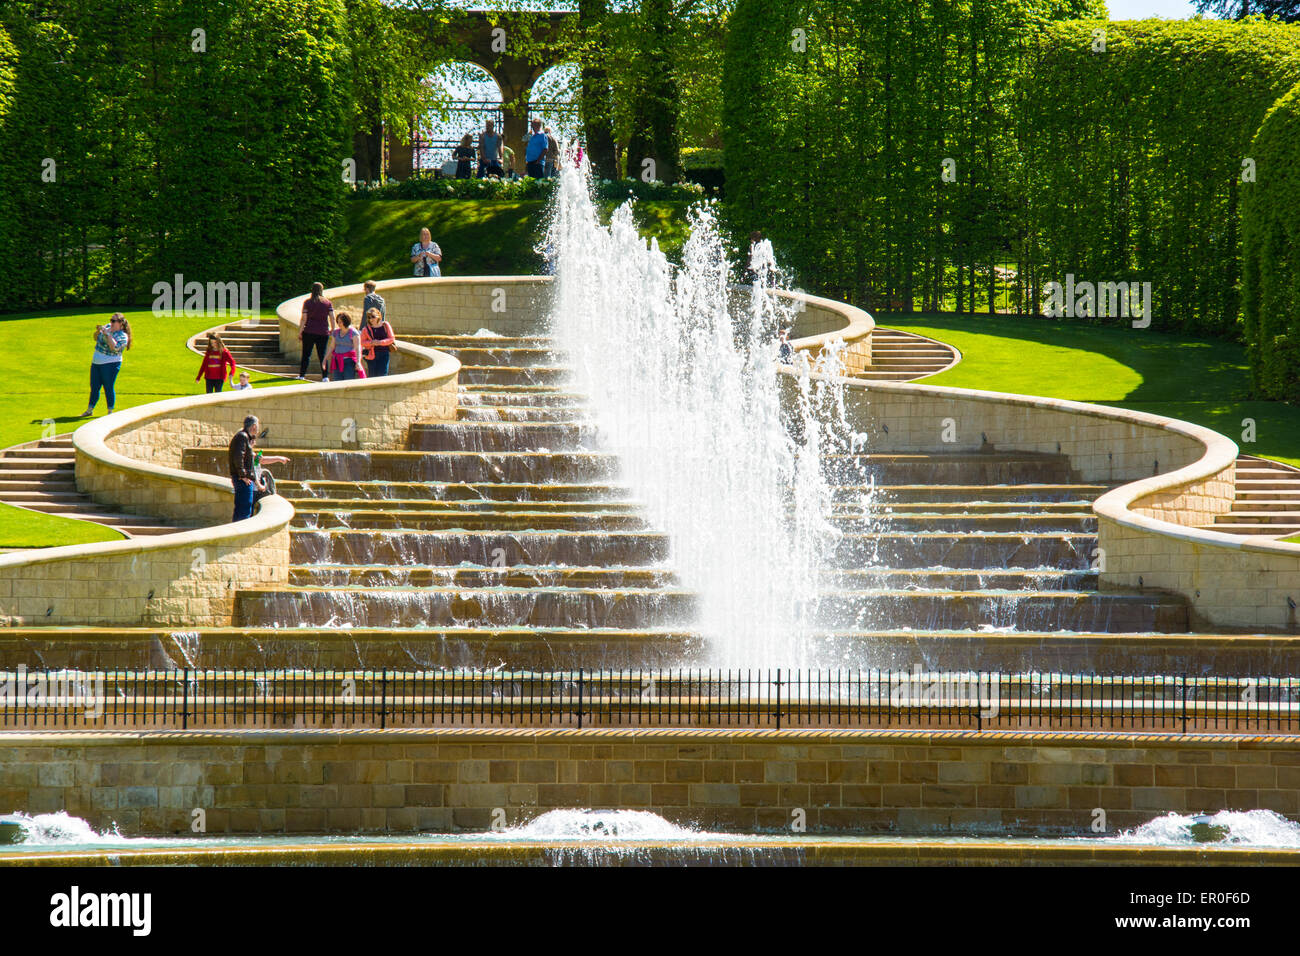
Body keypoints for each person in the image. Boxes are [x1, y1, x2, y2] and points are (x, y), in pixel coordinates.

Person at [81, 313, 131, 417]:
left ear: (120, 323)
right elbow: (95, 338)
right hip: (96, 362)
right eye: (111, 320)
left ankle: (110, 412)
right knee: (94, 386)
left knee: (108, 386)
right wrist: (98, 332)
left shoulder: (122, 336)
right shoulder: (107, 327)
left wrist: (107, 334)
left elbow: (114, 347)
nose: (111, 323)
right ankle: (90, 409)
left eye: (114, 321)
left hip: (111, 364)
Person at [299, 282, 334, 380]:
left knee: (306, 354)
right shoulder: (327, 302)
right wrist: (333, 329)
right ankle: (325, 377)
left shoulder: (307, 302)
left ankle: (302, 375)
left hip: (309, 331)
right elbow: (332, 317)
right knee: (322, 355)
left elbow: (304, 318)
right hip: (323, 332)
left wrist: (300, 331)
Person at [229, 416, 260, 521]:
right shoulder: (242, 437)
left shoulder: (244, 437)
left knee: (242, 508)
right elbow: (238, 458)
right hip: (243, 480)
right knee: (244, 510)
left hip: (244, 479)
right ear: (254, 426)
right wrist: (243, 476)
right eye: (258, 426)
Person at [322, 312, 362, 381]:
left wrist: (358, 362)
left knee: (348, 382)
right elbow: (332, 346)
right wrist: (325, 359)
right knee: (337, 383)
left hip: (349, 362)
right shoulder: (336, 332)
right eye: (338, 322)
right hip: (337, 361)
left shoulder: (354, 333)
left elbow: (357, 348)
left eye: (340, 322)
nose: (338, 324)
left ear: (346, 322)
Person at [360, 307, 395, 378]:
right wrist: (371, 342)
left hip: (384, 354)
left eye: (373, 316)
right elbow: (362, 342)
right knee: (372, 376)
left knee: (383, 375)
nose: (371, 319)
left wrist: (380, 342)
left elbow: (391, 339)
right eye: (369, 317)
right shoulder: (366, 329)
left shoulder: (385, 325)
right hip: (372, 355)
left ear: (378, 315)